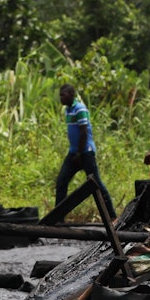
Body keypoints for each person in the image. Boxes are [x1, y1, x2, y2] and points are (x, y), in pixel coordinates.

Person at [55, 84, 117, 219]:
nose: (61, 98)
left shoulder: (80, 109)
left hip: (85, 153)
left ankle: (112, 217)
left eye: (63, 95)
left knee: (96, 184)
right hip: (74, 153)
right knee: (61, 182)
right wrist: (75, 152)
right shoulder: (68, 110)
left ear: (71, 94)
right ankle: (58, 217)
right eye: (60, 95)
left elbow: (84, 132)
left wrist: (79, 153)